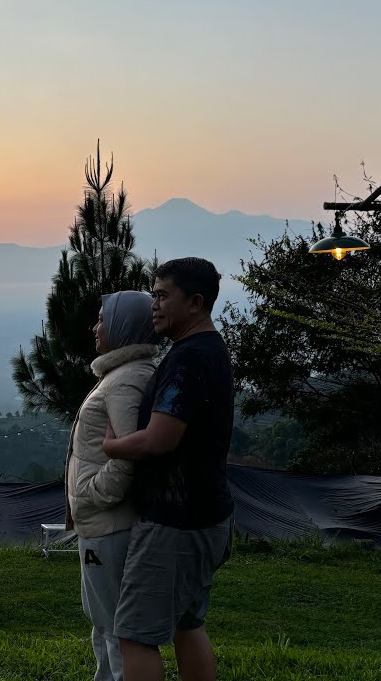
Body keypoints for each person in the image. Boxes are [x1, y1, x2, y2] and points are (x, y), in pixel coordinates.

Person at [102, 258, 235, 681]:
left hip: (174, 523)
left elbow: (160, 439)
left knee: (136, 637)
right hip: (208, 515)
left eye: (162, 296)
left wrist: (113, 446)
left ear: (195, 303)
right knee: (187, 623)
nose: (153, 305)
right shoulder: (210, 350)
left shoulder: (189, 359)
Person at [64, 290, 160, 681]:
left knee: (116, 625)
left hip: (109, 525)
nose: (95, 326)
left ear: (122, 326)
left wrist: (92, 493)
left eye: (102, 319)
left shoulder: (123, 382)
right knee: (105, 620)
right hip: (103, 523)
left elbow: (130, 454)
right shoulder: (122, 375)